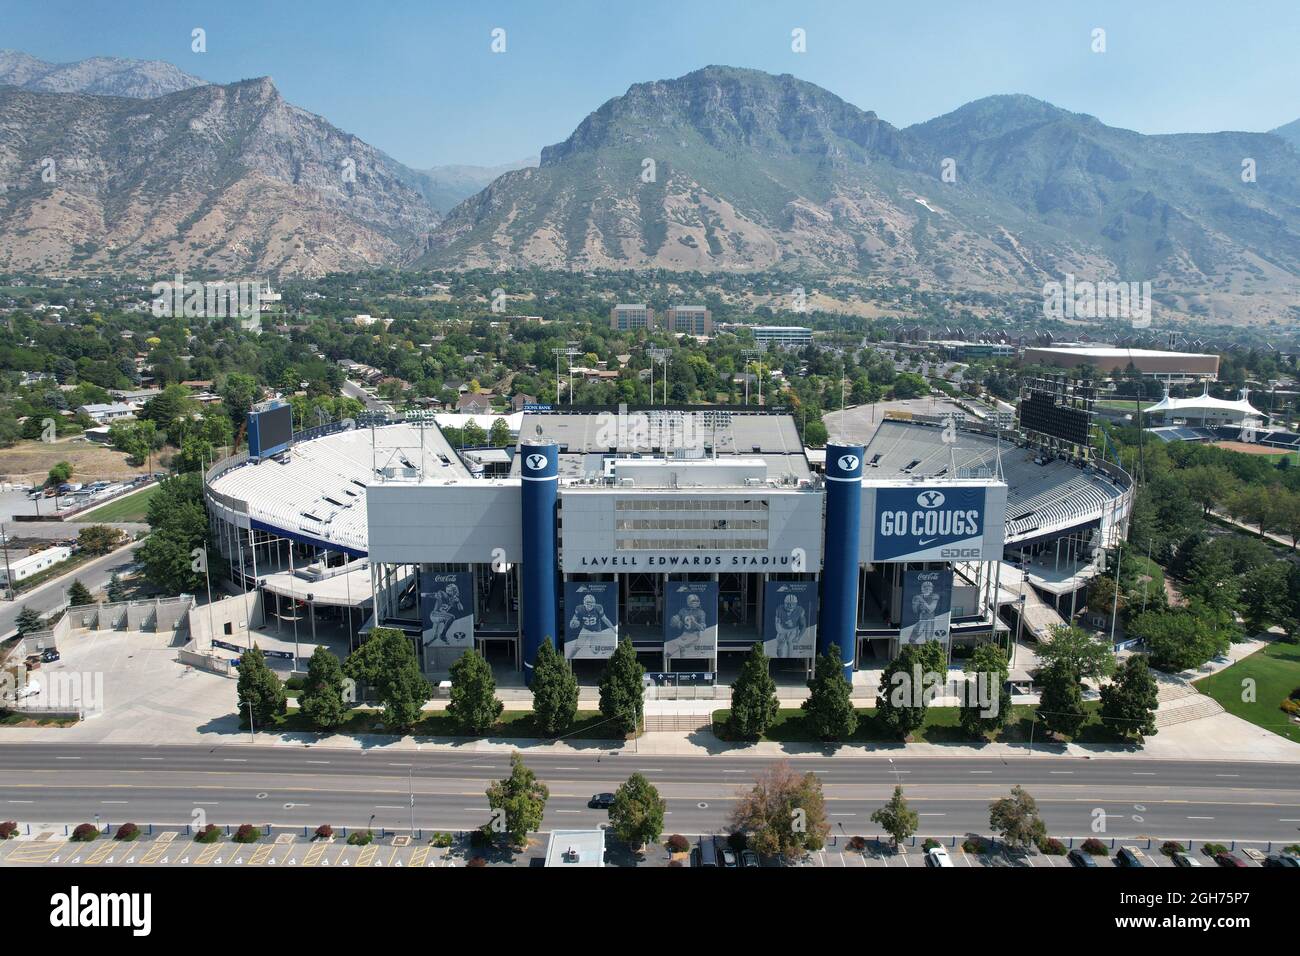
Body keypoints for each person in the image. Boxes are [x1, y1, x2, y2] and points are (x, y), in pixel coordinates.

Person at [668, 591, 709, 659]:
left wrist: (694, 622)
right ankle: (680, 659)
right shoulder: (683, 610)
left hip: (695, 635)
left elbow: (702, 628)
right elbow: (677, 625)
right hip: (684, 634)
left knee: (680, 644)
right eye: (693, 600)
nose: (695, 602)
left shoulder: (701, 612)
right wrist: (675, 621)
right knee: (672, 645)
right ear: (688, 602)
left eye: (697, 600)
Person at [425, 581, 464, 645]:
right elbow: (434, 595)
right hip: (435, 614)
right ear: (449, 591)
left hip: (441, 618)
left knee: (434, 637)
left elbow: (461, 609)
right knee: (452, 617)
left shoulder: (452, 600)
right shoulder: (442, 593)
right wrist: (424, 594)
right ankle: (443, 635)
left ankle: (427, 644)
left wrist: (458, 602)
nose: (455, 592)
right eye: (454, 590)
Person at [772, 591, 808, 657]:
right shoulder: (779, 609)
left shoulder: (800, 610)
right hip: (782, 629)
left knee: (790, 642)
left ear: (796, 604)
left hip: (794, 629)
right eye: (788, 604)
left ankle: (789, 659)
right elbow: (777, 624)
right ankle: (780, 659)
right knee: (780, 644)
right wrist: (780, 631)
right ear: (784, 603)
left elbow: (803, 625)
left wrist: (799, 637)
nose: (790, 606)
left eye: (793, 604)